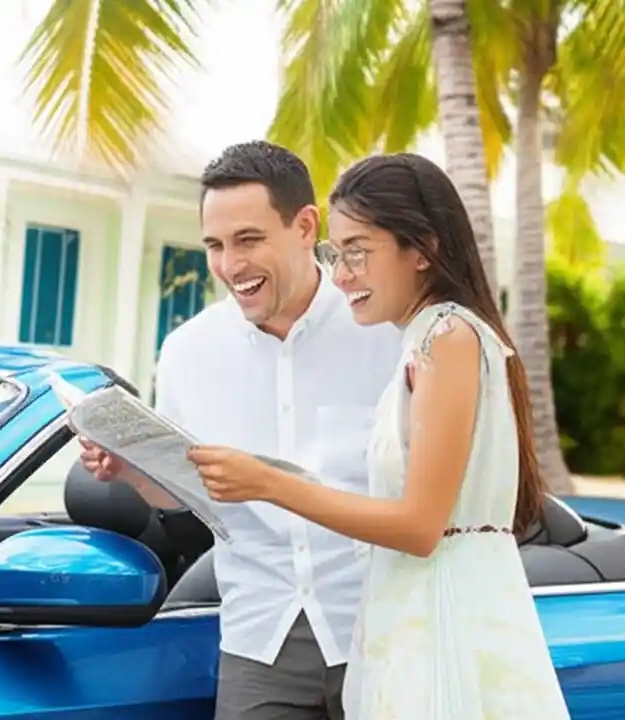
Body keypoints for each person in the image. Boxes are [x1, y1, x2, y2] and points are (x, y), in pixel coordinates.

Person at [185, 152, 571, 719]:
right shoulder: (424, 341)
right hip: (406, 619)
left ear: (422, 249)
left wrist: (267, 482)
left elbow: (419, 527)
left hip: (441, 626)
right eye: (337, 257)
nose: (342, 276)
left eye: (358, 254)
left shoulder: (448, 336)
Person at [78, 140, 404, 719]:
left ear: (306, 227)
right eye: (215, 245)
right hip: (261, 638)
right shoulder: (187, 353)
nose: (231, 265)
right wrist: (131, 470)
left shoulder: (386, 331)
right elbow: (187, 495)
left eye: (249, 240)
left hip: (386, 628)